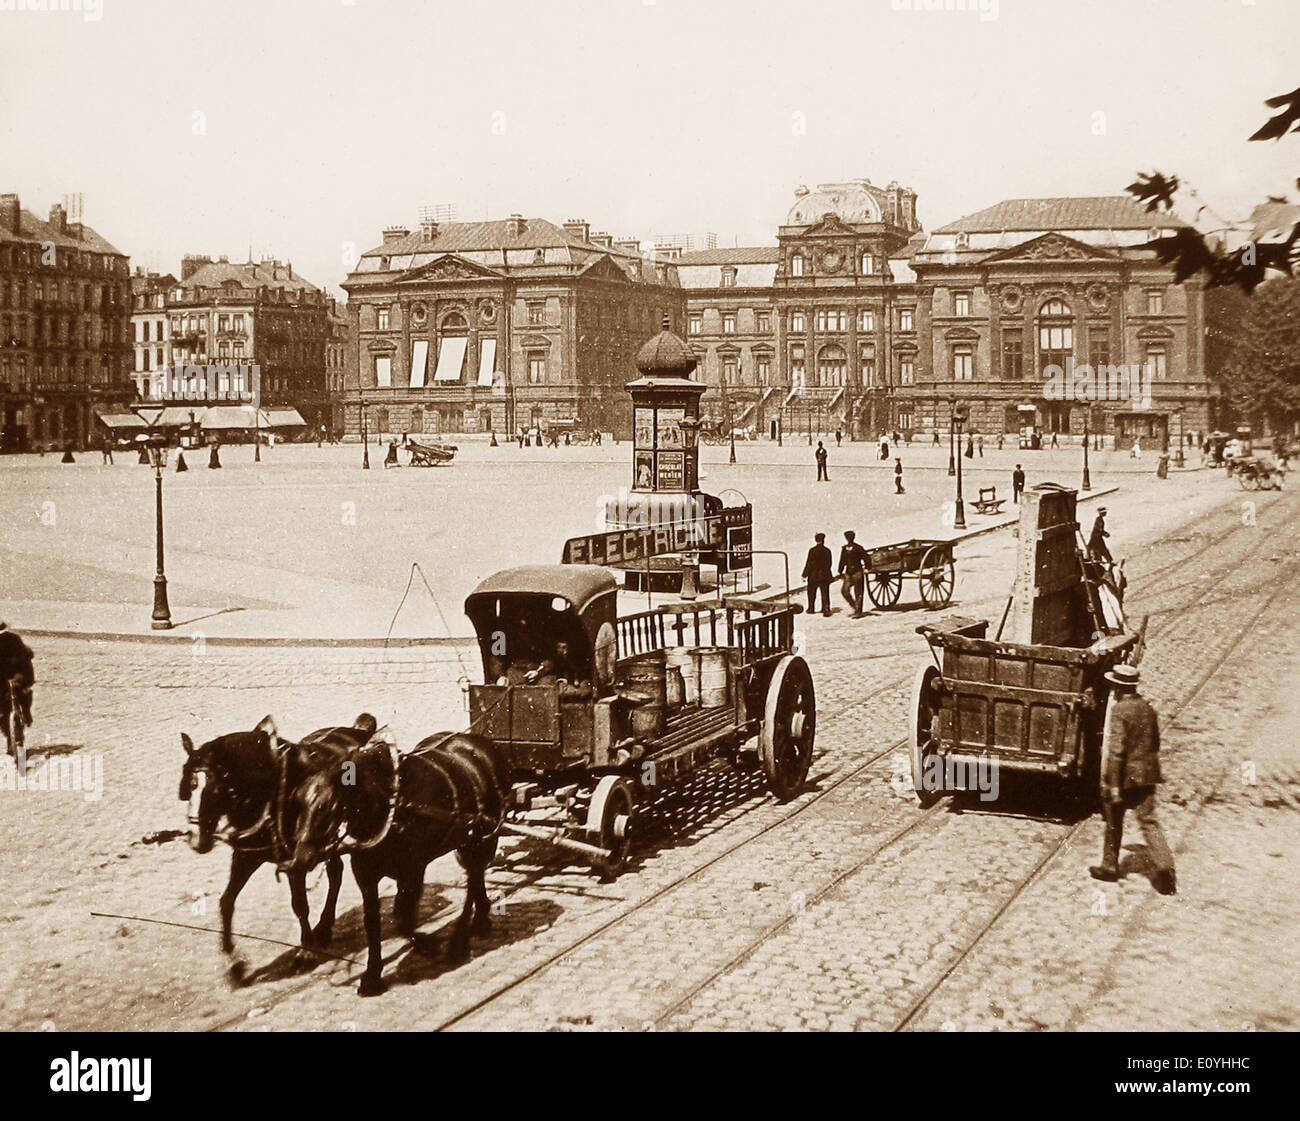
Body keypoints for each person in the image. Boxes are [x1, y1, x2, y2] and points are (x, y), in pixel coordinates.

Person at [1089, 665, 1176, 895]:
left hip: (1124, 777)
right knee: (1149, 822)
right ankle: (1165, 868)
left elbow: (1116, 751)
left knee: (1113, 820)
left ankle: (1109, 865)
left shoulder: (1120, 710)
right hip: (1147, 775)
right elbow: (1155, 742)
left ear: (1118, 688)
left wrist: (1114, 786)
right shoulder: (1148, 708)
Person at [0, 620, 35, 758]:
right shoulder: (15, 639)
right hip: (6, 679)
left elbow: (26, 657)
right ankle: (11, 738)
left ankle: (24, 714)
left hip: (15, 677)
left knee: (21, 694)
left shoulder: (14, 640)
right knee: (3, 713)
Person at [802, 533, 833, 617]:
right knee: (825, 592)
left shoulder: (812, 550)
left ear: (816, 540)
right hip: (824, 575)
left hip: (813, 575)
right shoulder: (827, 550)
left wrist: (804, 574)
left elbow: (809, 563)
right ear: (823, 540)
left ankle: (811, 608)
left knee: (811, 592)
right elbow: (830, 563)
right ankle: (825, 609)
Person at [838, 531, 867, 617]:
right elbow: (842, 560)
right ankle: (854, 606)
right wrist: (840, 570)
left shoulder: (858, 547)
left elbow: (866, 558)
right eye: (847, 537)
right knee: (844, 591)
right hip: (848, 572)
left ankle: (859, 611)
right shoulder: (844, 548)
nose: (848, 539)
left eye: (850, 537)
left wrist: (867, 568)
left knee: (858, 592)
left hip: (857, 571)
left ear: (853, 538)